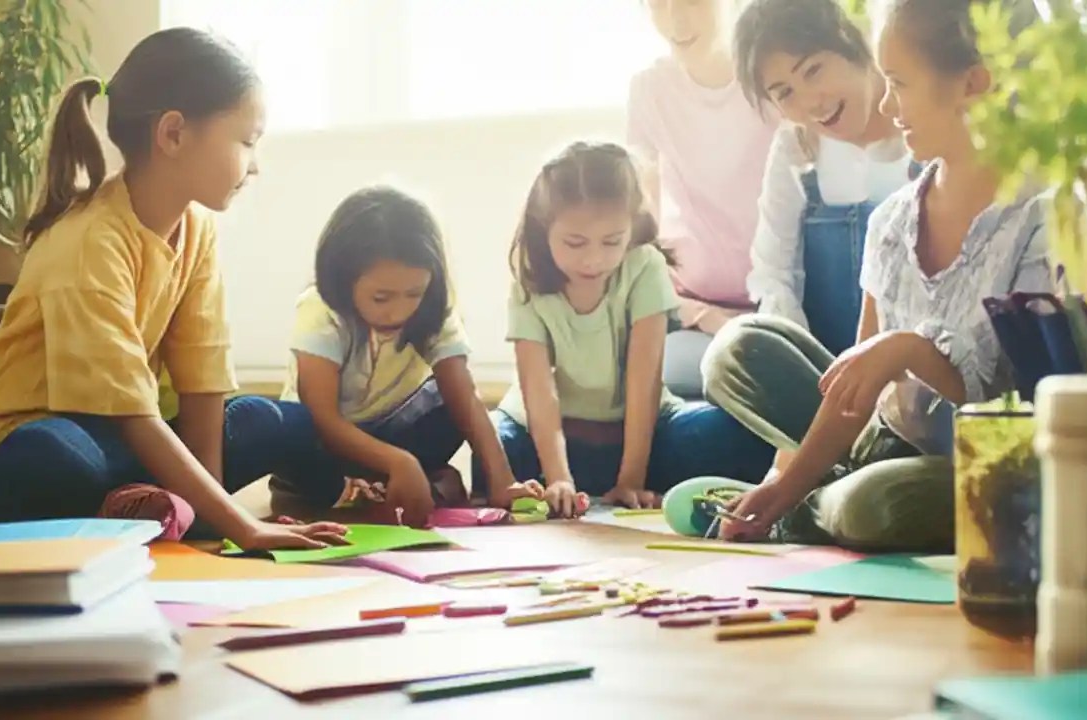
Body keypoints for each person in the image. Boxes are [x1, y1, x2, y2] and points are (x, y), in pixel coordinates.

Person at [0, 28, 346, 550]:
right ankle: (141, 502)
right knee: (57, 453)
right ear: (173, 134)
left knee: (276, 420)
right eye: (246, 141)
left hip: (131, 443)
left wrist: (221, 521)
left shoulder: (196, 228)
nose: (255, 165)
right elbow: (131, 414)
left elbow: (202, 379)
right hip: (41, 448)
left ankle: (153, 507)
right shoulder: (88, 241)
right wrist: (245, 526)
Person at [701, 0, 1050, 550]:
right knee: (738, 346)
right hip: (880, 442)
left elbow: (1019, 411)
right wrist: (784, 486)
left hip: (978, 462)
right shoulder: (892, 220)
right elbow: (855, 393)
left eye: (899, 84)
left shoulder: (1041, 218)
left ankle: (827, 503)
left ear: (973, 84)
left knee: (874, 503)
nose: (887, 104)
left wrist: (908, 351)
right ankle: (817, 498)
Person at [494, 141, 774, 517]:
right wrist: (560, 479)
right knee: (497, 446)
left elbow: (644, 379)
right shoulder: (529, 284)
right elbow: (540, 393)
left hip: (642, 433)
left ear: (632, 227)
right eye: (575, 243)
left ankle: (621, 479)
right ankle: (572, 483)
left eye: (612, 241)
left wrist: (631, 479)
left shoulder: (645, 266)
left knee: (737, 434)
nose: (593, 259)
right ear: (544, 228)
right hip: (553, 437)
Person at [278, 185, 541, 527]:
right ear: (343, 279)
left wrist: (503, 481)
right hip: (326, 440)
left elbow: (466, 399)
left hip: (393, 430)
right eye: (381, 298)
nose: (398, 312)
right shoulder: (321, 309)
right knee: (287, 436)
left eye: (414, 293)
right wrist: (400, 463)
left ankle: (390, 484)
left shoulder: (434, 311)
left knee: (450, 404)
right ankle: (388, 483)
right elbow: (323, 419)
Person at [734, 0, 917, 357]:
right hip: (825, 368)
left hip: (915, 368)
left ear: (852, 41)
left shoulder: (924, 130)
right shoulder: (795, 150)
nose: (811, 103)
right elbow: (773, 275)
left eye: (813, 70)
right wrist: (803, 365)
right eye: (785, 93)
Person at [628, 0, 777, 399]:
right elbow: (640, 238)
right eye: (659, 4)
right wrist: (703, 316)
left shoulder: (770, 80)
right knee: (662, 390)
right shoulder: (649, 90)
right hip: (694, 311)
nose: (676, 20)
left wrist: (769, 317)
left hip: (779, 305)